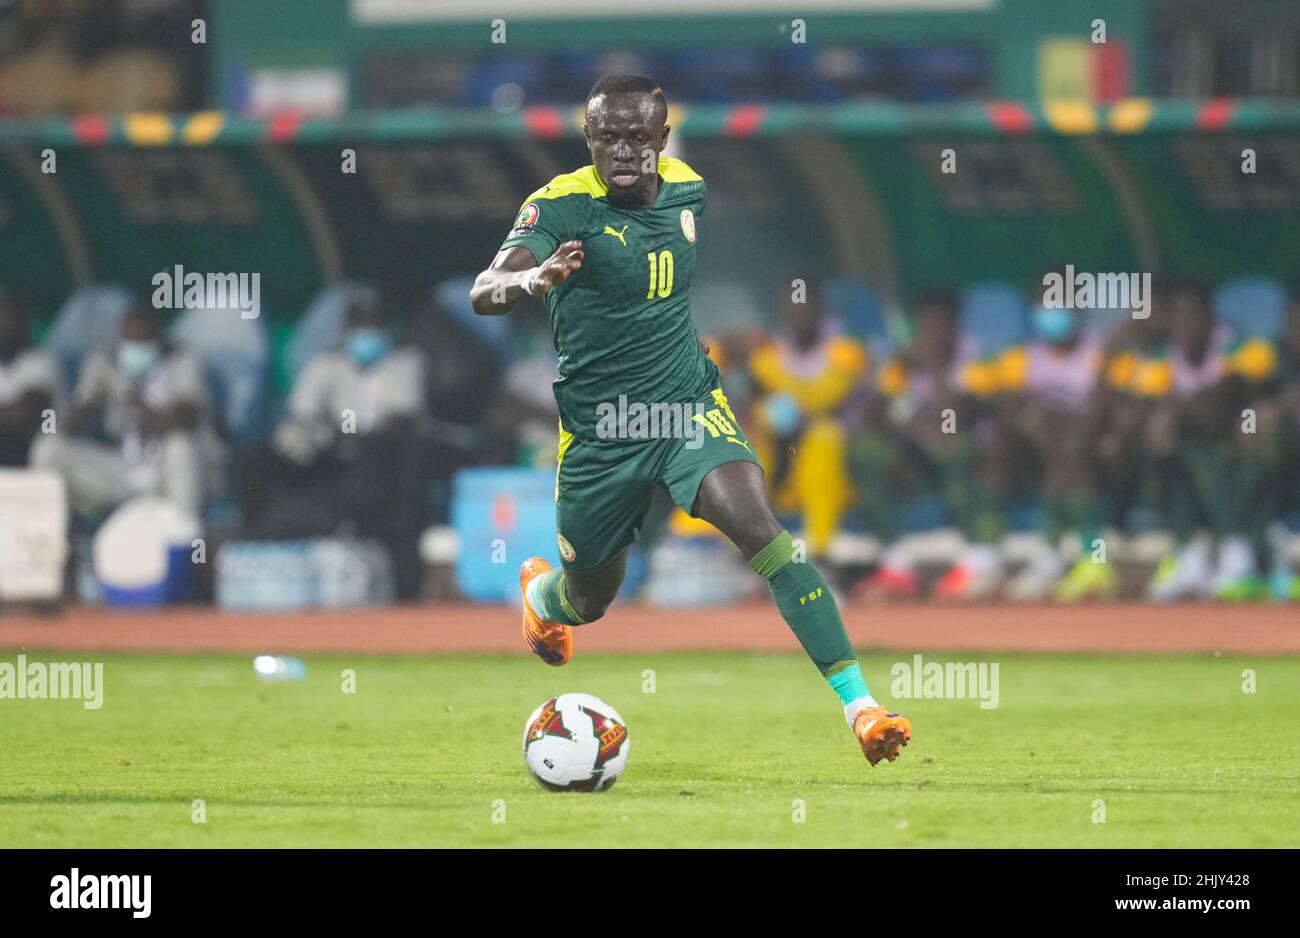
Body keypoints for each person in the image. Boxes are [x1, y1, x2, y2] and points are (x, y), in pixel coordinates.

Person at [469, 74, 910, 767]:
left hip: (685, 409)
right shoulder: (559, 205)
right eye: (606, 136)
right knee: (589, 599)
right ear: (588, 140)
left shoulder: (687, 189)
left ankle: (862, 708)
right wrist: (532, 280)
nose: (622, 150)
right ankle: (543, 597)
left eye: (636, 137)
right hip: (602, 433)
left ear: (661, 139)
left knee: (767, 536)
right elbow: (484, 290)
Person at [244, 296, 428, 598]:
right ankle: (257, 539)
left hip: (381, 457)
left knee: (387, 451)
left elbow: (401, 419)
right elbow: (302, 414)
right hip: (330, 453)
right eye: (360, 327)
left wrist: (356, 437)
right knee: (263, 454)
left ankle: (381, 552)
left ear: (387, 329)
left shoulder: (404, 362)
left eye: (374, 326)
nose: (366, 335)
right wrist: (328, 436)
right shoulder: (327, 363)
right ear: (347, 330)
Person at [30, 304, 211, 518]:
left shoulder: (182, 361)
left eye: (143, 342)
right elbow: (69, 427)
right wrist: (91, 399)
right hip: (121, 468)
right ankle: (45, 533)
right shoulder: (103, 362)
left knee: (180, 446)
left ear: (159, 340)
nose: (135, 348)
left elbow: (183, 421)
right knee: (48, 447)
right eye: (129, 342)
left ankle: (185, 535)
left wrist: (131, 396)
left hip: (163, 468)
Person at [747, 282, 866, 560]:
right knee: (744, 445)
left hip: (837, 458)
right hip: (784, 451)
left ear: (820, 311)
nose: (798, 316)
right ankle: (745, 542)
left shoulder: (844, 352)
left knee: (823, 435)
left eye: (805, 309)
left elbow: (829, 400)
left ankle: (819, 548)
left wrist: (792, 411)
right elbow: (757, 402)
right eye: (791, 310)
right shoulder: (769, 355)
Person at [0, 290, 61, 467]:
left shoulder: (41, 362)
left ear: (23, 324)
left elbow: (26, 415)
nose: (3, 327)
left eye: (8, 320)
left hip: (38, 447)